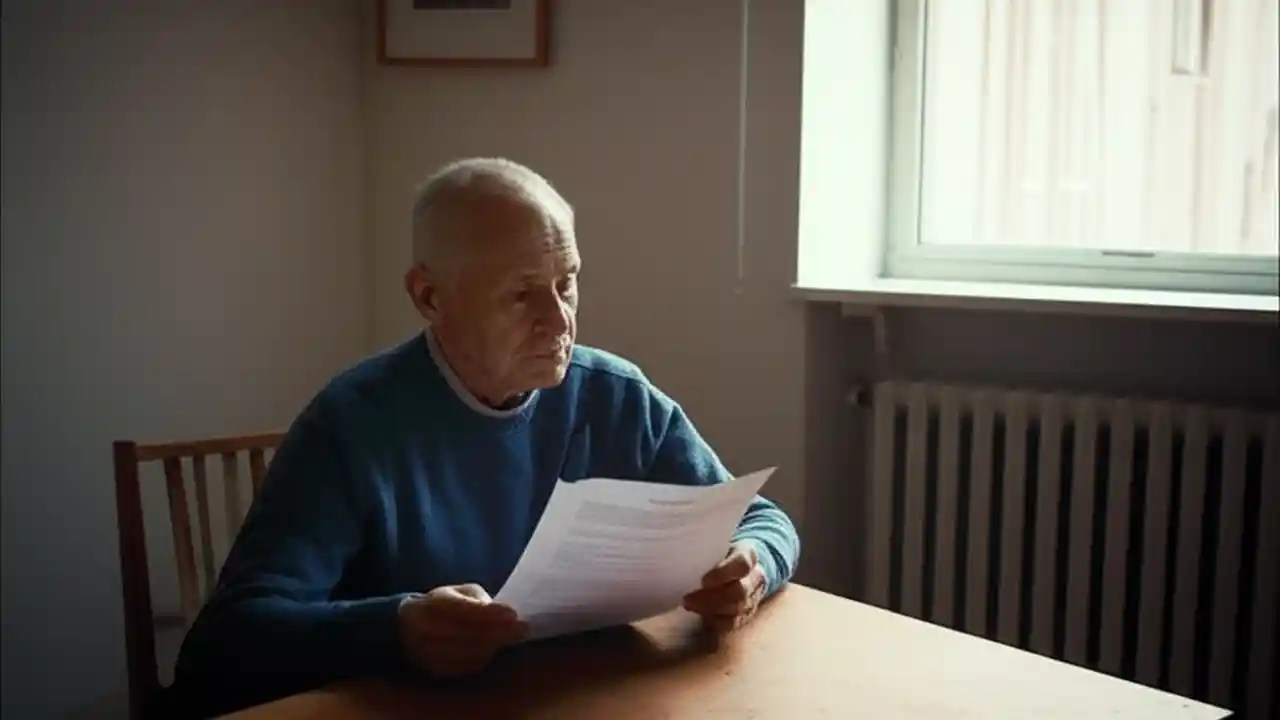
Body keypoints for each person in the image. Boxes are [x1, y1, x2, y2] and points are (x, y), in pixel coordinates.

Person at [171, 158, 800, 716]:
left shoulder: (615, 396)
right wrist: (394, 630)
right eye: (523, 294)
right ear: (429, 296)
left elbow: (763, 520)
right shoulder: (352, 425)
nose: (559, 320)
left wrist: (751, 568)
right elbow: (224, 647)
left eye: (568, 282)